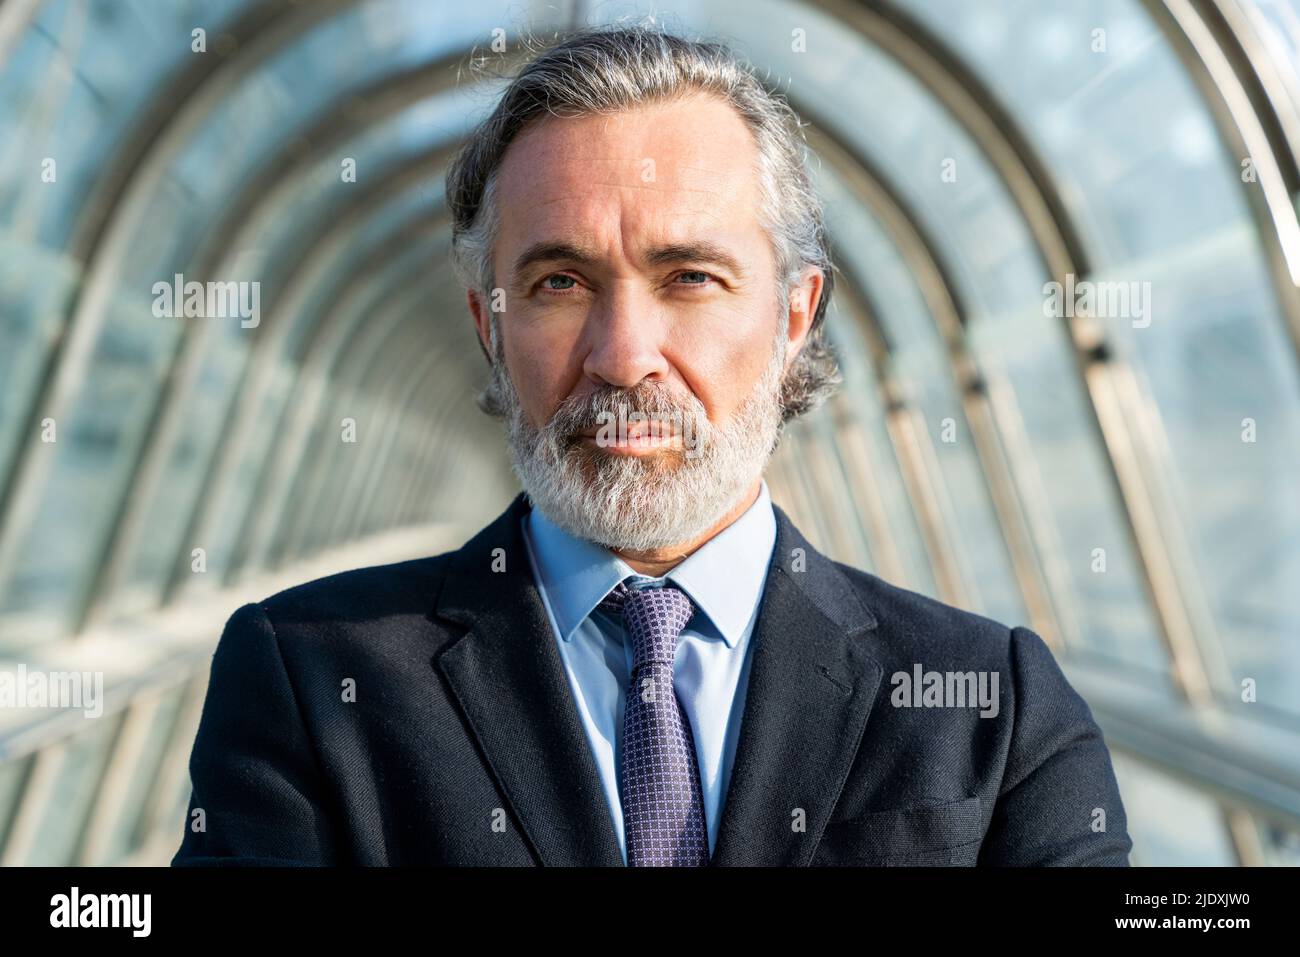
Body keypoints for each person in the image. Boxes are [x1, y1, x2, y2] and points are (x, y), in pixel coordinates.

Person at [172, 25, 1131, 867]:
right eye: (559, 283)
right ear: (487, 324)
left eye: (691, 277)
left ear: (797, 315)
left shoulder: (991, 708)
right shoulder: (308, 679)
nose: (624, 356)